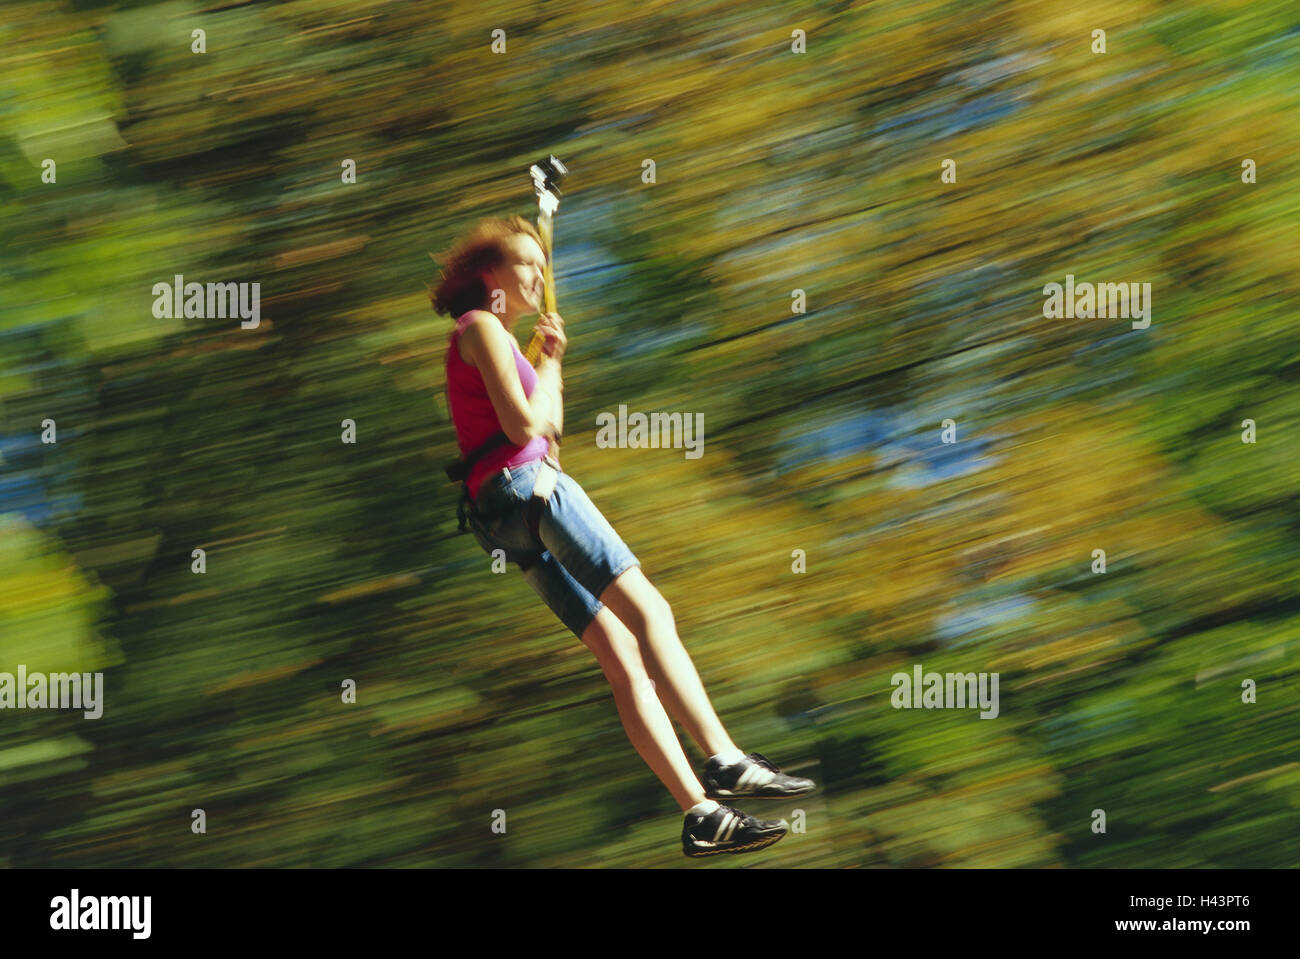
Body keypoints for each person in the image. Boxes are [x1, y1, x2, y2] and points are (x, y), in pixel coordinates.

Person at [434, 216, 814, 857]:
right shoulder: (481, 326)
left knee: (622, 657)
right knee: (650, 612)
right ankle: (722, 757)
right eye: (526, 263)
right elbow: (529, 425)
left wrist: (548, 361)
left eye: (541, 264)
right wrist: (541, 381)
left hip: (501, 519)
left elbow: (537, 423)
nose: (539, 275)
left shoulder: (491, 340)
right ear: (487, 278)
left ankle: (699, 810)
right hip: (533, 489)